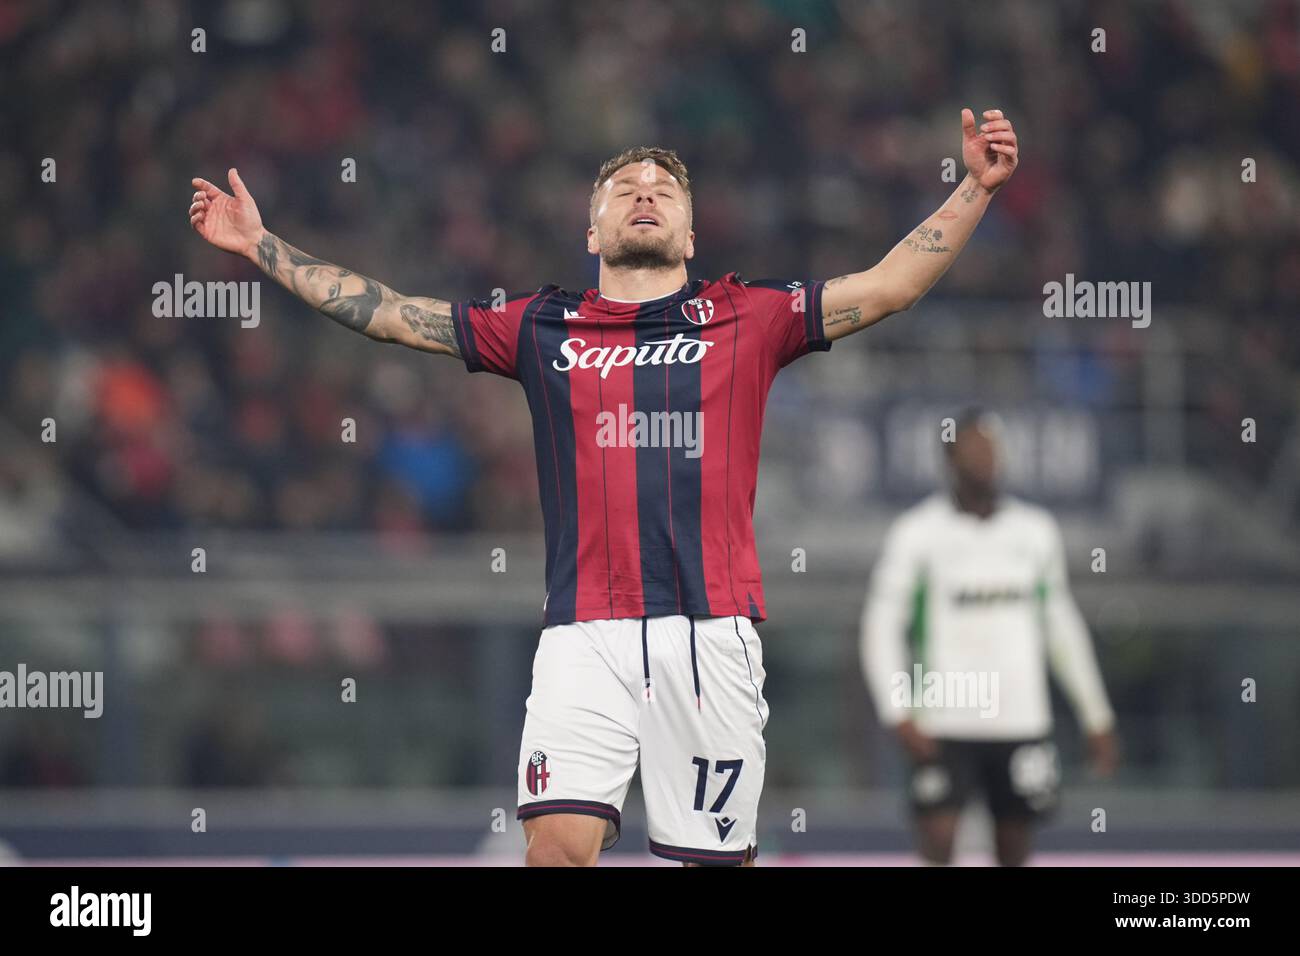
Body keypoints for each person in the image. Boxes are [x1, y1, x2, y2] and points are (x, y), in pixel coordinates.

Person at [189, 109, 1019, 866]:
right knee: (555, 852)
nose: (645, 196)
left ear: (692, 234)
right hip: (583, 632)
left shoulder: (749, 317)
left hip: (710, 632)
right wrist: (264, 247)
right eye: (625, 189)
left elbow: (888, 286)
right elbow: (395, 313)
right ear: (593, 227)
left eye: (664, 190)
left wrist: (974, 189)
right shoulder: (540, 326)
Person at [860, 410, 1117, 865]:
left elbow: (1061, 626)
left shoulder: (1035, 532)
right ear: (949, 455)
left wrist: (1095, 712)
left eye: (991, 448)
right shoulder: (917, 534)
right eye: (973, 448)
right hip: (943, 721)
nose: (985, 458)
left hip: (1020, 721)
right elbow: (880, 625)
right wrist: (896, 711)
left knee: (1015, 848)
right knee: (938, 840)